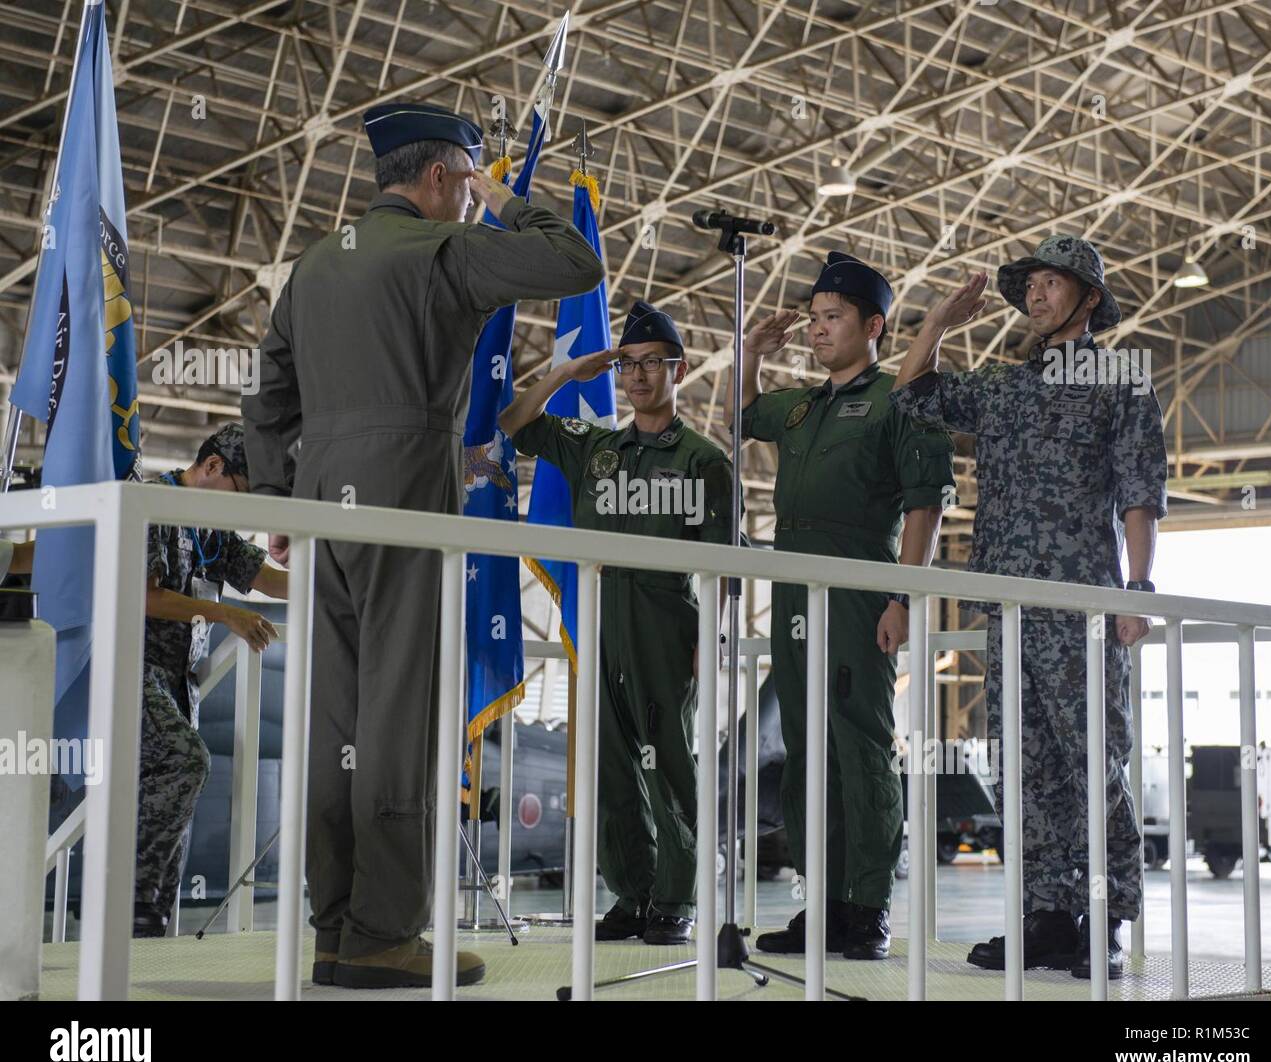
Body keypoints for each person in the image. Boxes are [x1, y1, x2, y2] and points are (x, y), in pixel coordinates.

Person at [242, 102, 604, 989]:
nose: (468, 204)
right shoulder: (444, 250)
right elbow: (576, 261)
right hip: (405, 486)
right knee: (400, 720)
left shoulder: (318, 263)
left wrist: (275, 497)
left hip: (324, 498)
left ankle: (334, 926)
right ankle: (385, 933)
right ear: (444, 177)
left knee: (334, 721)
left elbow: (265, 391)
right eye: (464, 183)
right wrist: (506, 197)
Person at [890, 235, 1167, 979]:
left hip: (1081, 605)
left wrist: (1138, 590)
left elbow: (1139, 493)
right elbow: (908, 393)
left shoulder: (1121, 382)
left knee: (1094, 766)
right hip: (1007, 609)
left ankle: (1101, 919)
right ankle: (1045, 915)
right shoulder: (1004, 388)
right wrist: (940, 319)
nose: (1038, 294)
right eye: (1032, 284)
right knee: (1027, 769)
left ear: (1088, 298)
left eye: (1054, 282)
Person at [729, 253, 954, 960]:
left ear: (873, 325)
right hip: (794, 587)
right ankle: (822, 901)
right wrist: (750, 356)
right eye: (816, 320)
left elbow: (925, 505)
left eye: (834, 319)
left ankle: (868, 905)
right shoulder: (799, 405)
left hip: (859, 588)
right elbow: (741, 416)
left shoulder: (900, 400)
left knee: (859, 745)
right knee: (804, 748)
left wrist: (903, 597)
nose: (820, 331)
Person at [500, 302, 735, 945]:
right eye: (628, 364)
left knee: (668, 762)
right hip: (600, 612)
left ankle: (676, 896)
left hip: (663, 619)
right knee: (610, 763)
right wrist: (567, 373)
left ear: (678, 371)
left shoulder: (703, 461)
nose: (636, 376)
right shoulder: (594, 447)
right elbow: (515, 425)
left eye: (650, 363)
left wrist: (710, 640)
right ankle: (632, 892)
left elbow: (722, 564)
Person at [136, 422, 287, 937]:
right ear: (214, 466)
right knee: (187, 761)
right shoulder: (151, 503)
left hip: (182, 682)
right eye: (241, 493)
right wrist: (226, 616)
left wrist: (343, 580)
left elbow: (265, 578)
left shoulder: (212, 524)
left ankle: (151, 922)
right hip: (133, 671)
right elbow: (144, 594)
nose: (240, 508)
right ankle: (134, 903)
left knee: (180, 795)